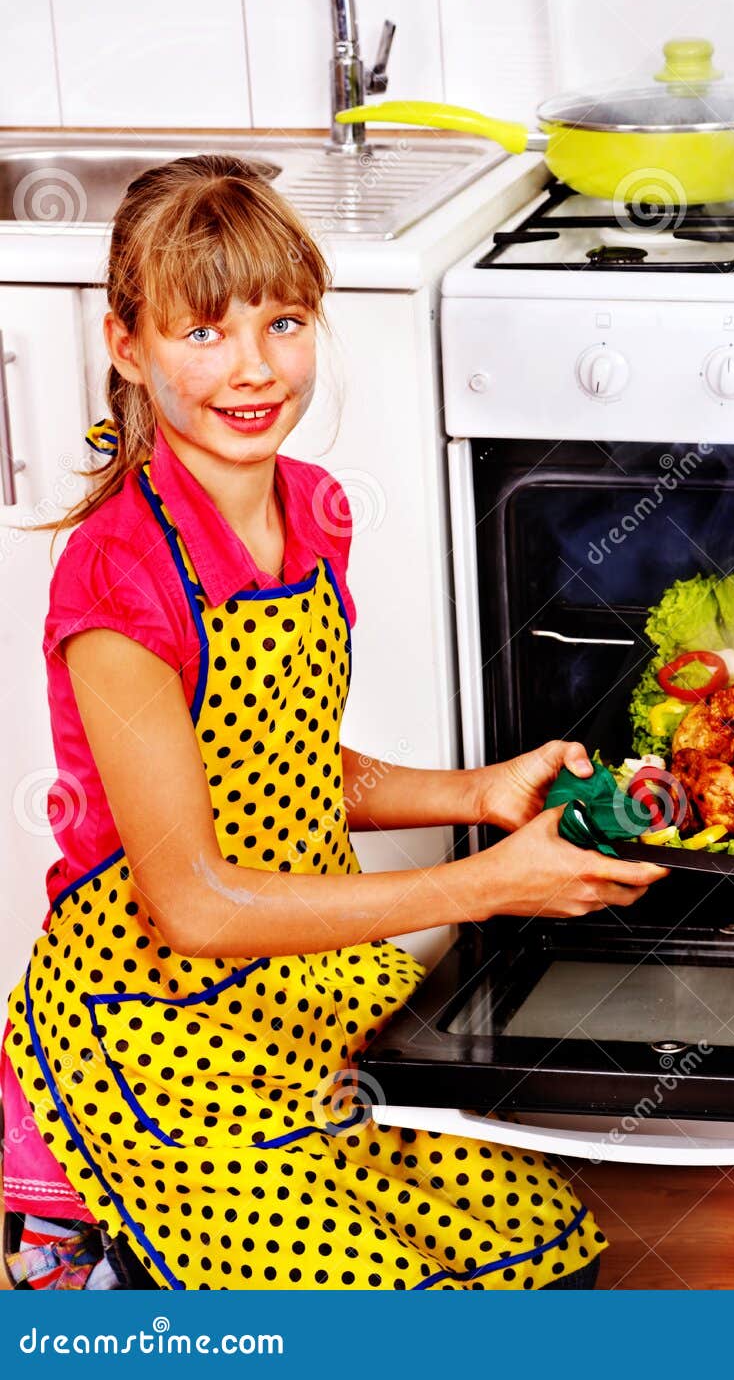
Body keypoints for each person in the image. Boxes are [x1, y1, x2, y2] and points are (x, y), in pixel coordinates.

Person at [2, 155, 666, 1291]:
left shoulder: (310, 508)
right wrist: (490, 881)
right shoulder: (120, 579)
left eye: (285, 321)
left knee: (549, 1260)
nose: (253, 368)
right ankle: (90, 1268)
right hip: (158, 1033)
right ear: (127, 345)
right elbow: (194, 901)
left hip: (294, 1008)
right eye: (202, 333)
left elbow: (282, 762)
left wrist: (476, 790)